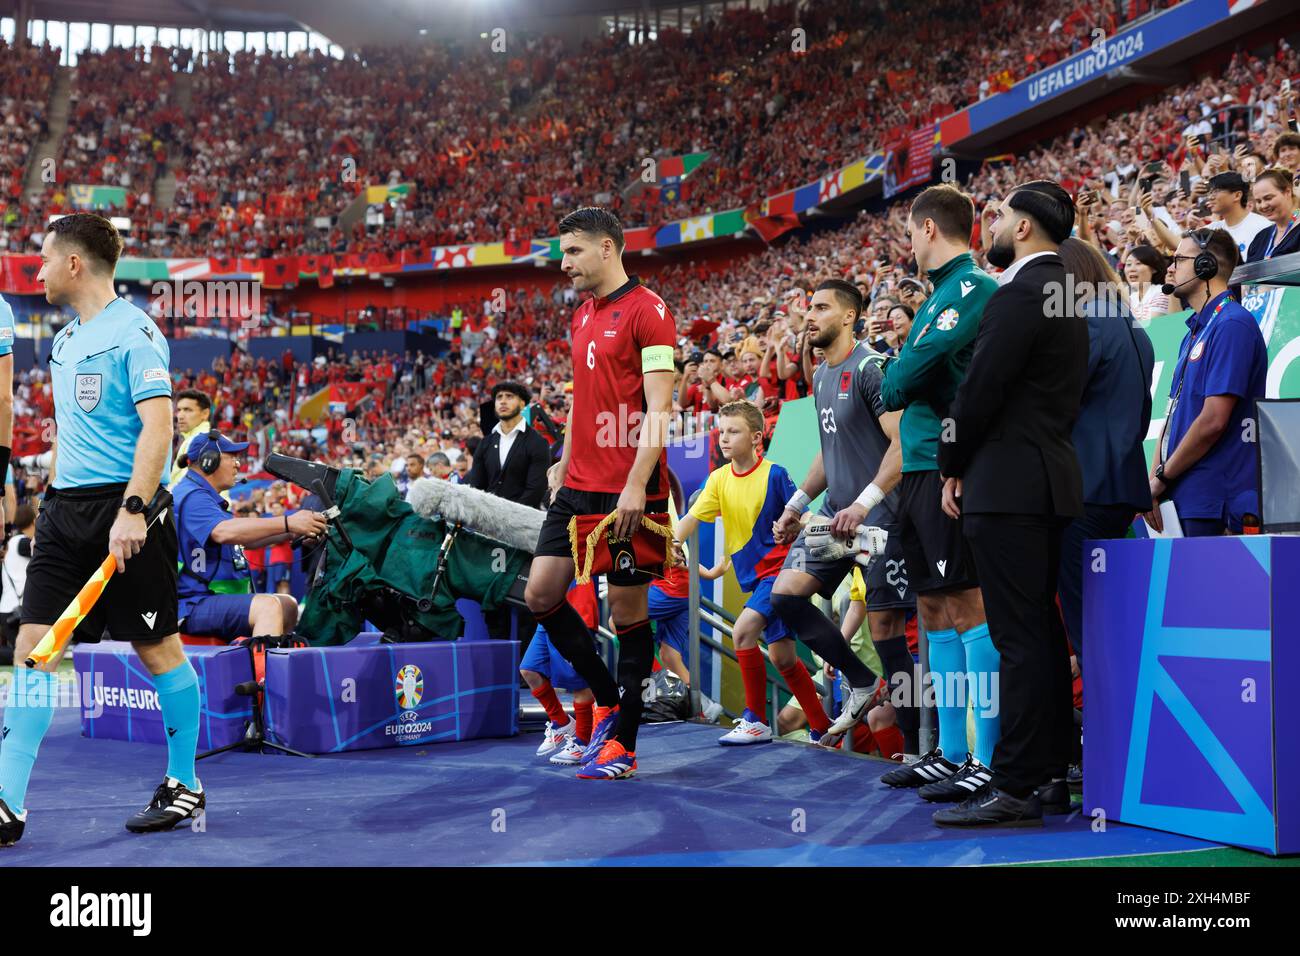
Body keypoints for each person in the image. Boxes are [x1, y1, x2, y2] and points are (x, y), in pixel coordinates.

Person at [2, 214, 192, 846]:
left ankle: (183, 783)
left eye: (45, 259)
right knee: (35, 650)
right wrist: (49, 503)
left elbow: (159, 427)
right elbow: (69, 435)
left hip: (125, 511)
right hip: (65, 515)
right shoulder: (63, 341)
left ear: (75, 264)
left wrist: (134, 511)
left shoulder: (135, 333)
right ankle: (6, 803)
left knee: (157, 648)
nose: (39, 269)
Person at [934, 181, 1088, 828]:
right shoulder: (1067, 294)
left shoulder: (1019, 293)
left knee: (1018, 636)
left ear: (1023, 228)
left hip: (1006, 485)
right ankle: (1050, 773)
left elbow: (977, 393)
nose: (988, 228)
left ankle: (1018, 783)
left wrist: (950, 462)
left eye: (996, 217)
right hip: (1046, 480)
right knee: (1042, 635)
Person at [522, 207, 676, 780]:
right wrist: (565, 452)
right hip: (578, 484)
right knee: (541, 593)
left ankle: (625, 744)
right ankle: (609, 697)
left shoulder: (651, 311)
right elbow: (586, 399)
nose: (564, 264)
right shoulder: (583, 315)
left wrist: (637, 483)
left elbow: (660, 408)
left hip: (628, 490)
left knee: (628, 609)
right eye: (562, 253)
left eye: (573, 252)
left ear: (608, 248)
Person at [878, 183, 999, 797]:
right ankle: (951, 752)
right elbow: (900, 376)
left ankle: (988, 757)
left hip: (951, 464)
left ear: (929, 228)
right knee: (932, 608)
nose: (908, 240)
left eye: (909, 229)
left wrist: (899, 373)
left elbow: (905, 378)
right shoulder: (934, 296)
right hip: (919, 468)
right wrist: (899, 373)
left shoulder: (972, 288)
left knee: (969, 605)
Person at [770, 278, 917, 749]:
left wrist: (864, 502)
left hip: (881, 518)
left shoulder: (874, 368)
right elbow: (827, 450)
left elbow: (902, 444)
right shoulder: (819, 376)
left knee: (885, 631)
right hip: (836, 516)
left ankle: (916, 748)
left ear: (849, 316)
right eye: (808, 307)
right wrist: (797, 505)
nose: (809, 316)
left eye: (820, 307)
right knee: (787, 596)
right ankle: (859, 682)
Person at [1054, 238, 1154, 678]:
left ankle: (1108, 735)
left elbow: (1057, 402)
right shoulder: (1134, 328)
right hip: (1122, 491)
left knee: (1087, 625)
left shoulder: (1087, 323)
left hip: (1084, 492)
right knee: (1117, 616)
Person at [673, 400, 798, 745]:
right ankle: (820, 726)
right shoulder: (717, 478)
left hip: (783, 574)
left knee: (741, 632)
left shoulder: (776, 473)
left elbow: (799, 520)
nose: (724, 438)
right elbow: (692, 519)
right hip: (755, 579)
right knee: (782, 656)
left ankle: (755, 719)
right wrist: (672, 543)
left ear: (757, 436)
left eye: (734, 431)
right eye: (722, 431)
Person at [1148, 228, 1267, 537]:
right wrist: (1155, 477)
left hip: (1215, 499)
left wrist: (1162, 476)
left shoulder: (1232, 324)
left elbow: (1213, 420)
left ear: (1206, 266)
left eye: (1178, 260)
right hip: (1185, 493)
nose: (1170, 268)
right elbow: (1174, 412)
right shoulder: (1193, 332)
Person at [173, 432, 327, 643]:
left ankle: (277, 663)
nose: (238, 464)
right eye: (232, 457)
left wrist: (294, 531)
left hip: (209, 599)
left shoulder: (205, 496)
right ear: (210, 461)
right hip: (194, 603)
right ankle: (266, 676)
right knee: (269, 607)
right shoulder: (192, 495)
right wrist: (289, 522)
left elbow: (245, 539)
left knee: (288, 605)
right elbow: (223, 531)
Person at [520, 581, 598, 766]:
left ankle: (584, 742)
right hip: (548, 611)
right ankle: (561, 723)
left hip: (575, 610)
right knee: (529, 670)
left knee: (579, 684)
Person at [466, 381, 550, 509]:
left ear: (522, 404)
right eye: (499, 397)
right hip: (487, 519)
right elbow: (476, 486)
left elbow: (535, 490)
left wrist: (510, 517)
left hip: (522, 522)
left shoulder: (538, 443)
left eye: (509, 396)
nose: (503, 401)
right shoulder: (485, 443)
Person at [1204, 172, 1270, 261]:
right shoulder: (1212, 230)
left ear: (1237, 195)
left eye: (1215, 191)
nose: (1210, 197)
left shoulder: (1262, 227)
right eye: (1210, 193)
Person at [1245, 167, 1300, 263]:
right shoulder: (1260, 237)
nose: (1263, 205)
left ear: (1287, 192)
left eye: (1268, 198)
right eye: (1258, 201)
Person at [170, 389, 211, 486]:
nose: (180, 416)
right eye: (179, 410)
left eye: (188, 410)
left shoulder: (200, 442)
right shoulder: (191, 440)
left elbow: (186, 486)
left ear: (205, 414)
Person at [1122, 245, 1171, 322]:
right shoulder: (1129, 297)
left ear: (1154, 269)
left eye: (1138, 263)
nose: (1131, 269)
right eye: (1128, 264)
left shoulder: (1161, 293)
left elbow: (1149, 329)